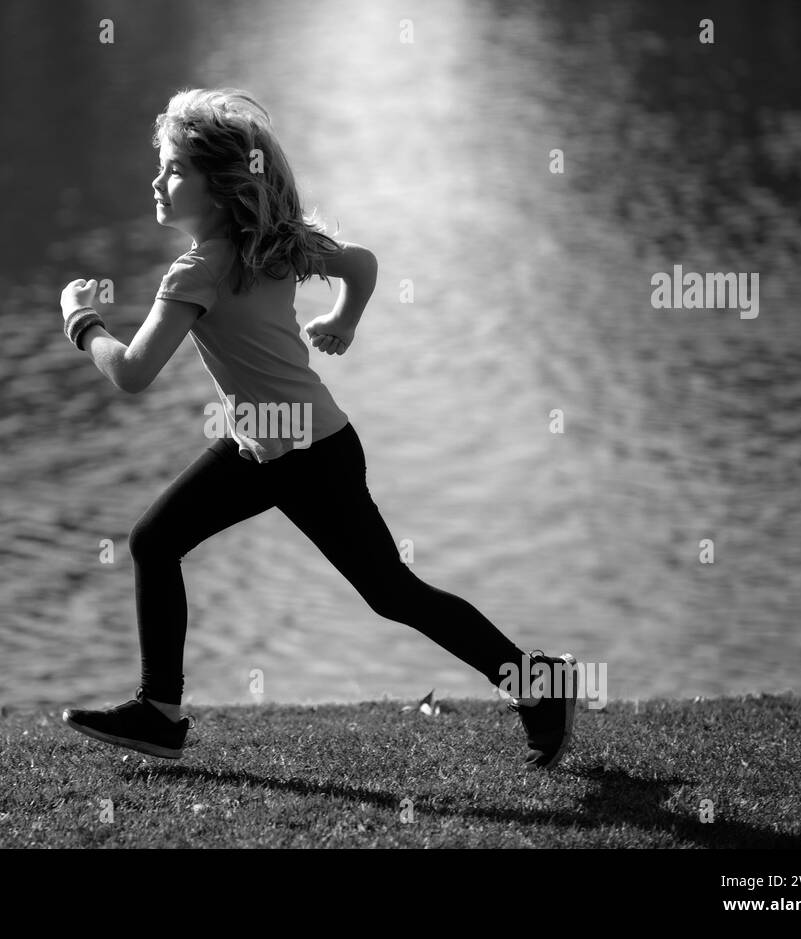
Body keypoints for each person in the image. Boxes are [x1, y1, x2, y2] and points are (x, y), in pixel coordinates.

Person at [59, 88, 578, 770]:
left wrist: (80, 320)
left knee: (391, 591)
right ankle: (160, 710)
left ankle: (539, 684)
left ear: (219, 186)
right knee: (156, 540)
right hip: (277, 444)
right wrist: (344, 319)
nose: (156, 180)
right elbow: (360, 263)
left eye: (173, 169)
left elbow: (130, 373)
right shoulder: (271, 245)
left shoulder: (198, 270)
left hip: (307, 455)